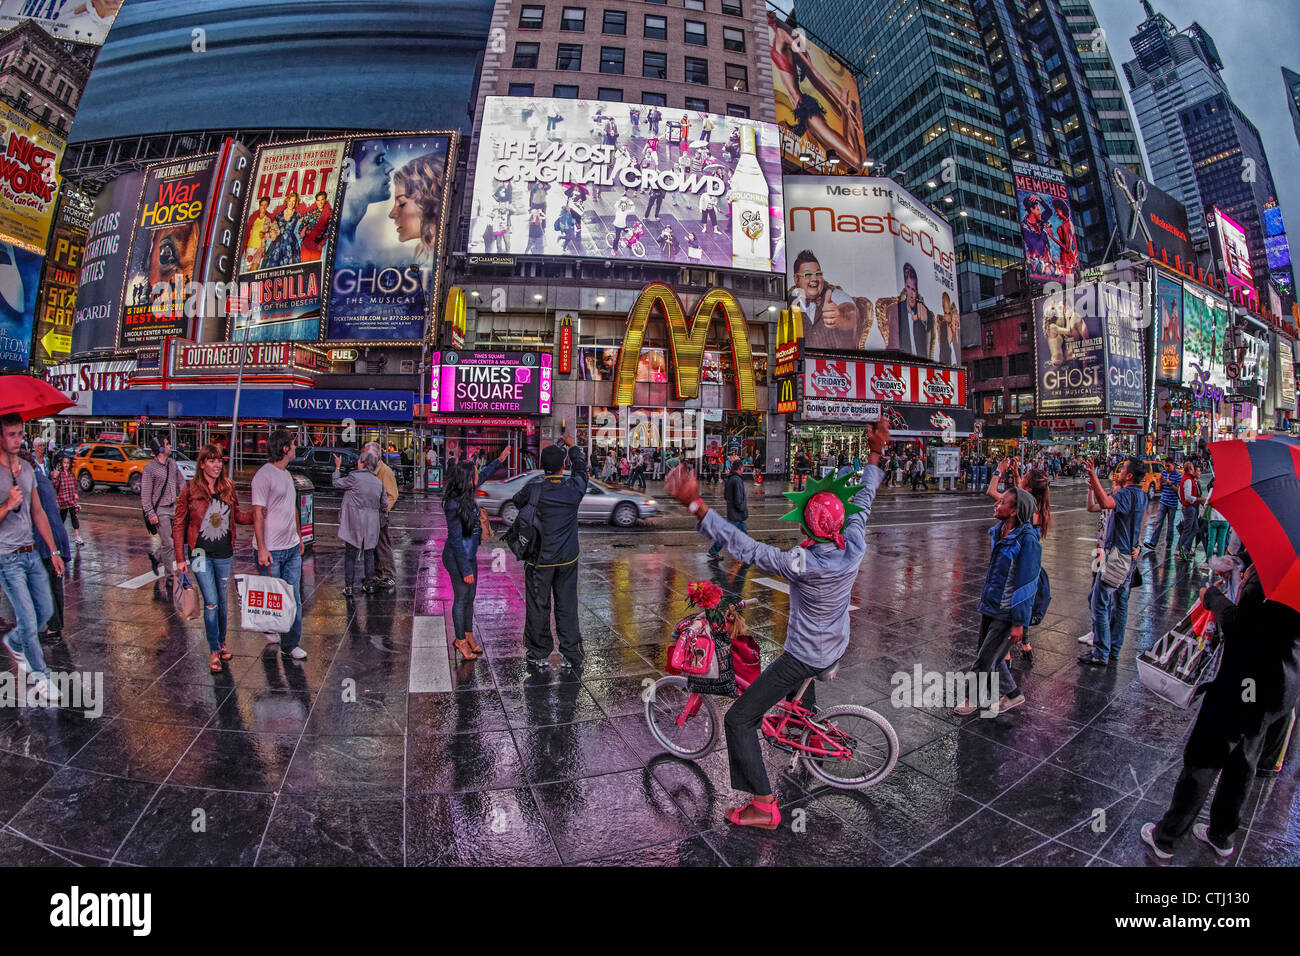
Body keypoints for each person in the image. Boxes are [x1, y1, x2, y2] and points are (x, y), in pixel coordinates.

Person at [665, 420, 890, 828]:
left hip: (805, 654)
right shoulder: (853, 540)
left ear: (807, 526)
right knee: (793, 696)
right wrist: (874, 454)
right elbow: (866, 495)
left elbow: (747, 549)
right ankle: (806, 733)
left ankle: (764, 804)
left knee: (739, 719)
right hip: (835, 643)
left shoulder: (803, 563)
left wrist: (696, 505)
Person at [1142, 552, 1300, 859]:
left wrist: (1212, 596)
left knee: (1205, 758)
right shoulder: (1286, 570)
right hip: (1278, 688)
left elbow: (1242, 627)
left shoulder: (1280, 574)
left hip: (1245, 685)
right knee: (1244, 760)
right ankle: (1221, 835)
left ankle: (1167, 837)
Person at [955, 486, 1041, 716]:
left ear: (1014, 510)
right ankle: (1012, 694)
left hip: (1007, 612)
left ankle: (970, 699)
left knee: (984, 659)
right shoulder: (1000, 531)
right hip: (991, 604)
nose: (997, 504)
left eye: (1002, 501)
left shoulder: (1028, 540)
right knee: (990, 654)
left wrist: (1019, 622)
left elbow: (1027, 584)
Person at [0, 416, 65, 703]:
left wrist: (53, 551)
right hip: (7, 557)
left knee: (45, 612)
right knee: (27, 618)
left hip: (31, 553)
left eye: (20, 434)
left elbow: (38, 512)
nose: (18, 439)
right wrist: (8, 505)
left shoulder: (26, 469)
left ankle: (13, 642)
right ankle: (41, 676)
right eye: (11, 435)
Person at [174, 444, 254, 674]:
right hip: (199, 553)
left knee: (221, 601)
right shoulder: (189, 489)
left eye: (219, 460)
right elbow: (179, 523)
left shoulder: (228, 487)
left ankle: (222, 641)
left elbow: (236, 515)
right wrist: (180, 558)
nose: (217, 465)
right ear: (202, 464)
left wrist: (257, 516)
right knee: (211, 602)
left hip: (224, 553)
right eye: (211, 460)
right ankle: (213, 650)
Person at [514, 433, 587, 669]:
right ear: (562, 466)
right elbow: (581, 470)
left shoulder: (534, 489)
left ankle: (539, 653)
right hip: (567, 558)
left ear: (541, 467)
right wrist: (573, 447)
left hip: (539, 560)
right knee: (567, 605)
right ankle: (570, 653)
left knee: (538, 606)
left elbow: (517, 501)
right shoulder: (573, 489)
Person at [443, 448, 509, 661]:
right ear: (467, 478)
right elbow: (454, 540)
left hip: (468, 554)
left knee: (470, 597)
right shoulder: (453, 503)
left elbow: (486, 473)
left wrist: (499, 460)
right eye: (475, 474)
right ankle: (460, 640)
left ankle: (468, 634)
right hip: (457, 557)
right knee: (461, 598)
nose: (478, 477)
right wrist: (465, 569)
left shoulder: (466, 492)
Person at [1079, 457, 1146, 666]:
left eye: (1123, 469)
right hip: (1123, 556)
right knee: (1120, 603)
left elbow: (1107, 503)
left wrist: (1094, 476)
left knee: (1099, 601)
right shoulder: (1141, 495)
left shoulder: (1126, 494)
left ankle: (1101, 651)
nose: (1120, 471)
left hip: (1116, 556)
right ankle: (1114, 649)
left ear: (1130, 476)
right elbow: (1098, 505)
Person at [252, 428, 308, 659]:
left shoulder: (286, 475)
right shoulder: (263, 476)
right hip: (272, 550)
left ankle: (291, 644)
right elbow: (257, 514)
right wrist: (262, 548)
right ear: (285, 448)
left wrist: (299, 536)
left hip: (292, 547)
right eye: (293, 444)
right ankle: (270, 627)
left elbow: (292, 508)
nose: (296, 447)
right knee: (272, 596)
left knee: (293, 597)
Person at [19, 447, 69, 641]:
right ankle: (57, 625)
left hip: (43, 539)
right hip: (58, 536)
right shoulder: (43, 479)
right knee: (55, 583)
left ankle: (53, 626)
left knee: (44, 584)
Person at [333, 449, 385, 597]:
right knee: (369, 554)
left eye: (358, 460)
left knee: (350, 554)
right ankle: (369, 585)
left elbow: (336, 483)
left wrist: (337, 467)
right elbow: (384, 503)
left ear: (363, 463)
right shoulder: (378, 483)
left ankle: (349, 587)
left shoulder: (353, 478)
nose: (357, 462)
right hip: (372, 524)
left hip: (355, 522)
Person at [789, 250, 860, 350]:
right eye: (807, 275)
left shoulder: (835, 294)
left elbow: (852, 313)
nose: (814, 279)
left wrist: (839, 315)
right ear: (796, 279)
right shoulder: (789, 300)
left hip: (834, 363)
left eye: (818, 274)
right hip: (800, 363)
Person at [140, 436, 185, 590]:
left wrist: (186, 496)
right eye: (166, 444)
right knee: (169, 544)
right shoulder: (149, 469)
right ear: (159, 448)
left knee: (173, 542)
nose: (170, 446)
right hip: (161, 511)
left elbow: (181, 482)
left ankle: (156, 557)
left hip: (174, 508)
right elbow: (145, 495)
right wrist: (150, 513)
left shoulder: (172, 464)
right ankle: (170, 577)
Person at [364, 441, 399, 589]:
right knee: (374, 546)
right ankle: (378, 573)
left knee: (382, 544)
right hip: (369, 512)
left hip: (378, 513)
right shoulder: (369, 469)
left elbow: (393, 494)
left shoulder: (385, 471)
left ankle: (389, 574)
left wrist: (384, 509)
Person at [887, 262, 932, 358]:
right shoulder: (896, 310)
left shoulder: (922, 309)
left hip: (921, 363)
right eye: (908, 288)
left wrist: (925, 320)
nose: (911, 294)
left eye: (914, 290)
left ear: (917, 291)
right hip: (902, 362)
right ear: (905, 287)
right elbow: (892, 342)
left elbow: (930, 324)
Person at [708, 454, 748, 559]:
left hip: (733, 512)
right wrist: (742, 509)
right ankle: (714, 550)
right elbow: (739, 498)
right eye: (743, 467)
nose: (743, 469)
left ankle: (746, 552)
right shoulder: (737, 480)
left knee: (742, 534)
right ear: (740, 468)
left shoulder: (730, 479)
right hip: (737, 514)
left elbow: (726, 495)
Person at [1143, 458, 1181, 553]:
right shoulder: (1164, 473)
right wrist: (1162, 482)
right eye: (1166, 466)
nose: (1167, 468)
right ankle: (1153, 542)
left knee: (1170, 524)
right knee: (1159, 522)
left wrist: (1170, 483)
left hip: (1172, 503)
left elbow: (1178, 490)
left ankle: (1168, 544)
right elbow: (1160, 486)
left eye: (1168, 466)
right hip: (1164, 501)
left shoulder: (1178, 475)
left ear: (1173, 465)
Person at [52, 453, 82, 546]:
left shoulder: (71, 474)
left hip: (71, 499)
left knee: (74, 516)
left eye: (68, 463)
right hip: (63, 500)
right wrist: (55, 478)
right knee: (62, 518)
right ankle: (58, 535)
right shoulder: (60, 475)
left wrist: (75, 494)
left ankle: (77, 536)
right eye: (64, 463)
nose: (66, 465)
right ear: (62, 464)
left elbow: (74, 486)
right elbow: (55, 485)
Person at [1176, 461, 1200, 560]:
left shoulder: (1189, 479)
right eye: (1193, 469)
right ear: (1190, 469)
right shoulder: (1188, 480)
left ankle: (1184, 547)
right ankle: (1182, 547)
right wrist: (1198, 499)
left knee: (1195, 528)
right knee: (1188, 529)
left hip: (1191, 507)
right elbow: (1188, 497)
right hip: (1190, 507)